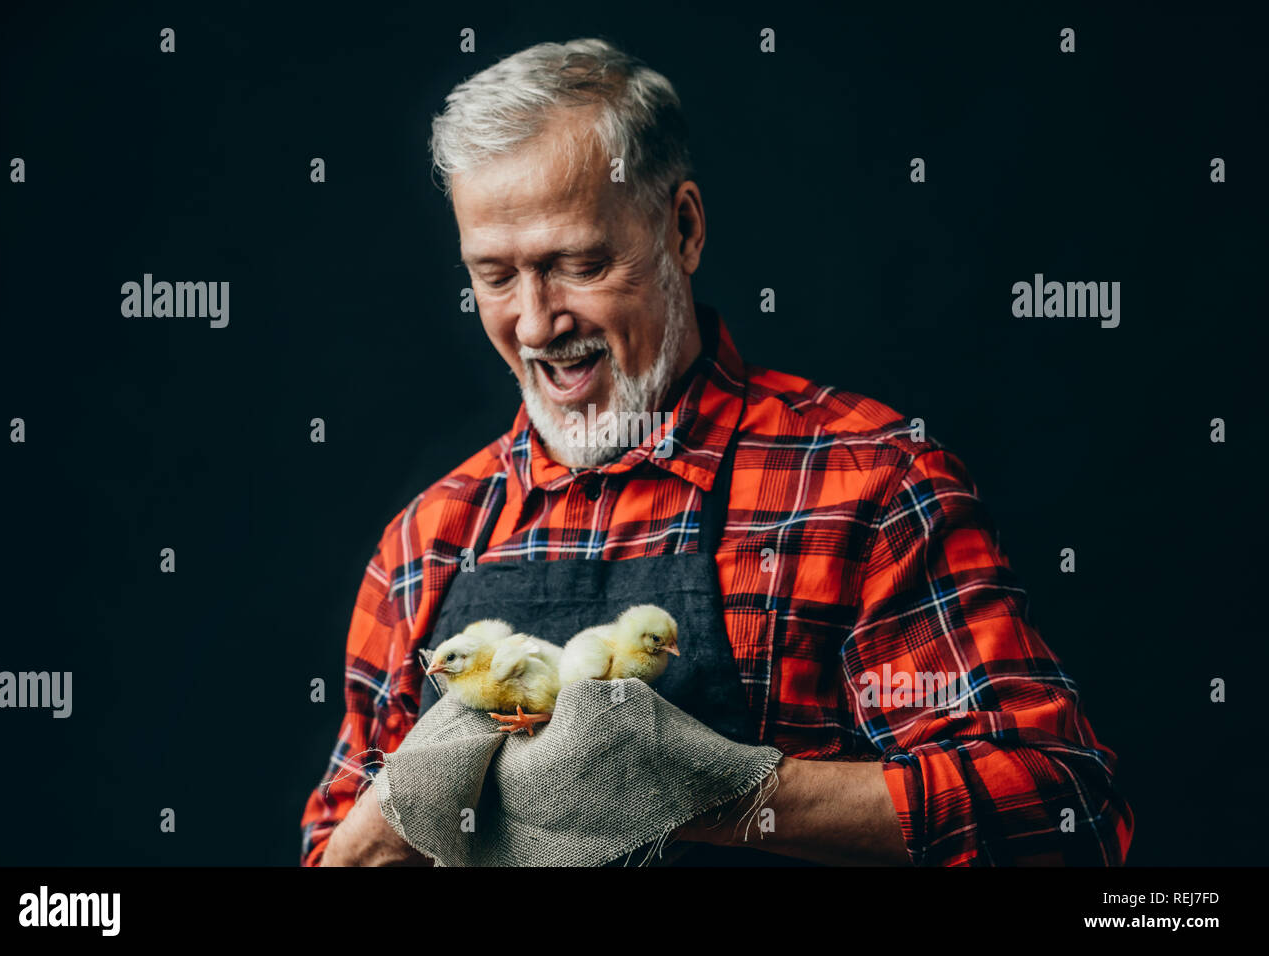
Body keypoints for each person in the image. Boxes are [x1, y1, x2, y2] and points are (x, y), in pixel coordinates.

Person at [300, 37, 1133, 867]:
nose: (534, 321)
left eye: (580, 264)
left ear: (684, 229)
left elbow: (1062, 814)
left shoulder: (867, 482)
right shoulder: (427, 543)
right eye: (494, 276)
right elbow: (333, 852)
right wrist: (383, 827)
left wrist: (729, 792)